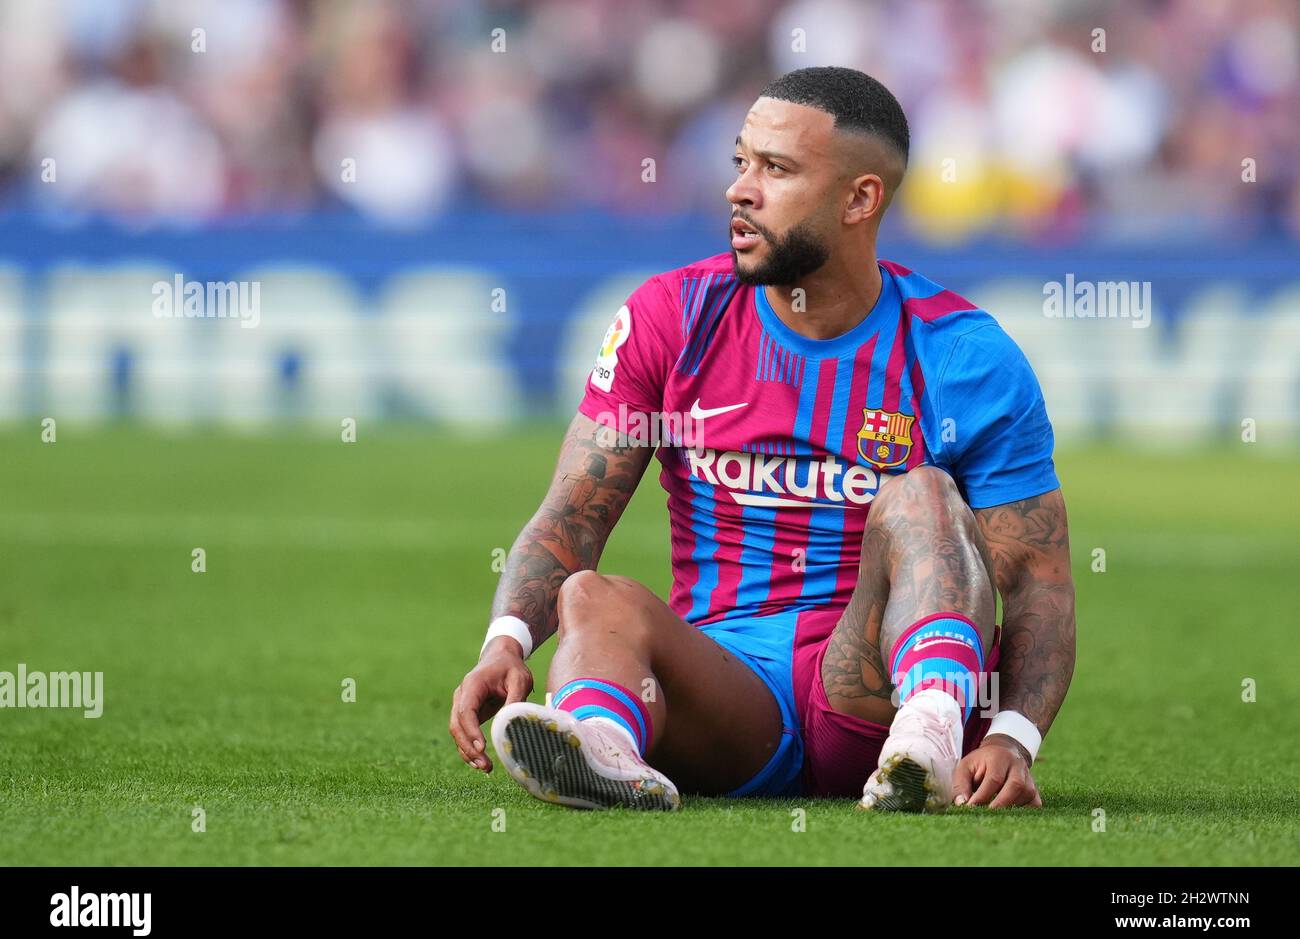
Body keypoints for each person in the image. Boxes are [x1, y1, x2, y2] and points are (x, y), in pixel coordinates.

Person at [448, 66, 1075, 812]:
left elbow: (1037, 578)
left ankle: (927, 741)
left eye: (776, 169)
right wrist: (508, 640)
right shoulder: (670, 319)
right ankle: (603, 750)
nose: (739, 190)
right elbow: (572, 515)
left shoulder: (962, 353)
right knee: (591, 596)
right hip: (729, 702)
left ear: (859, 198)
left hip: (871, 688)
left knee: (922, 493)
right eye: (741, 161)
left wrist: (1009, 738)